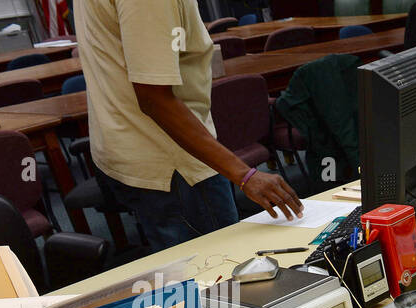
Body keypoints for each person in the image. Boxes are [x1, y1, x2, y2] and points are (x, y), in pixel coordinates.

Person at [76, 0, 302, 253]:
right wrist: (243, 174)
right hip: (173, 160)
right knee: (220, 272)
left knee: (188, 274)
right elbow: (154, 98)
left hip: (134, 148)